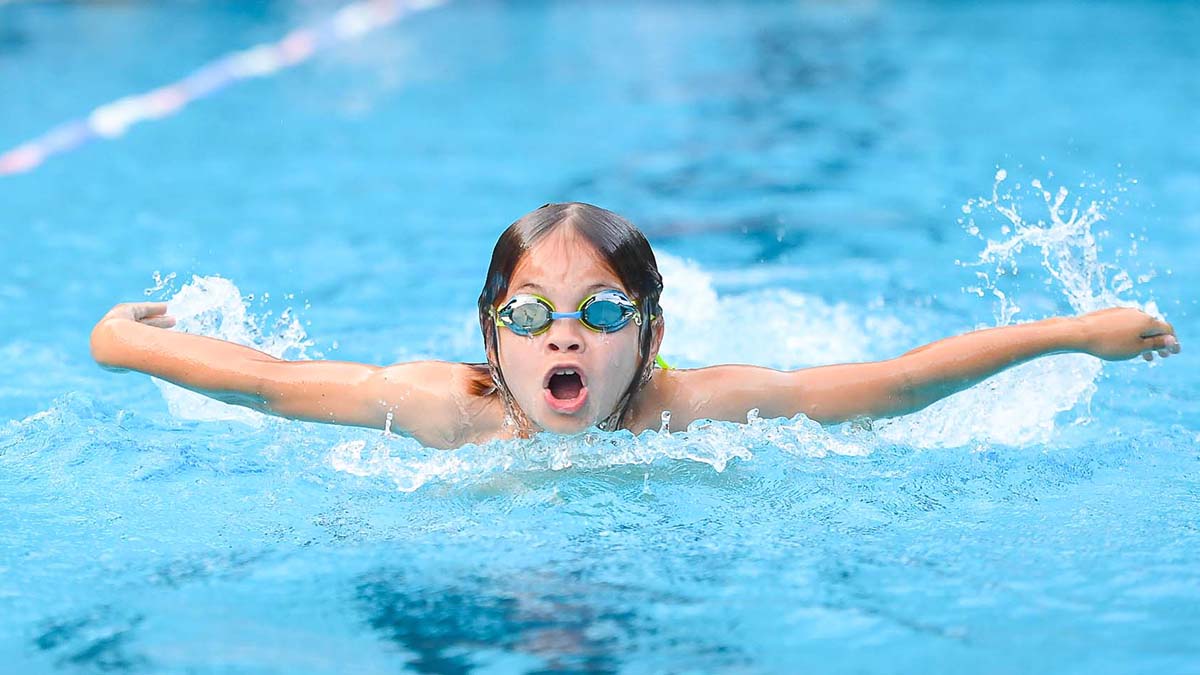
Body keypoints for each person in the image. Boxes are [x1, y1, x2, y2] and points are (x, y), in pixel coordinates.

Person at [90, 202, 1181, 449]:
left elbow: (893, 384)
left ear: (649, 342)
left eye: (603, 312)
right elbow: (262, 380)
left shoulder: (690, 410)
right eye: (533, 315)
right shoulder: (439, 408)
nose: (565, 337)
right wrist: (122, 341)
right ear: (491, 342)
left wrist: (1070, 332)